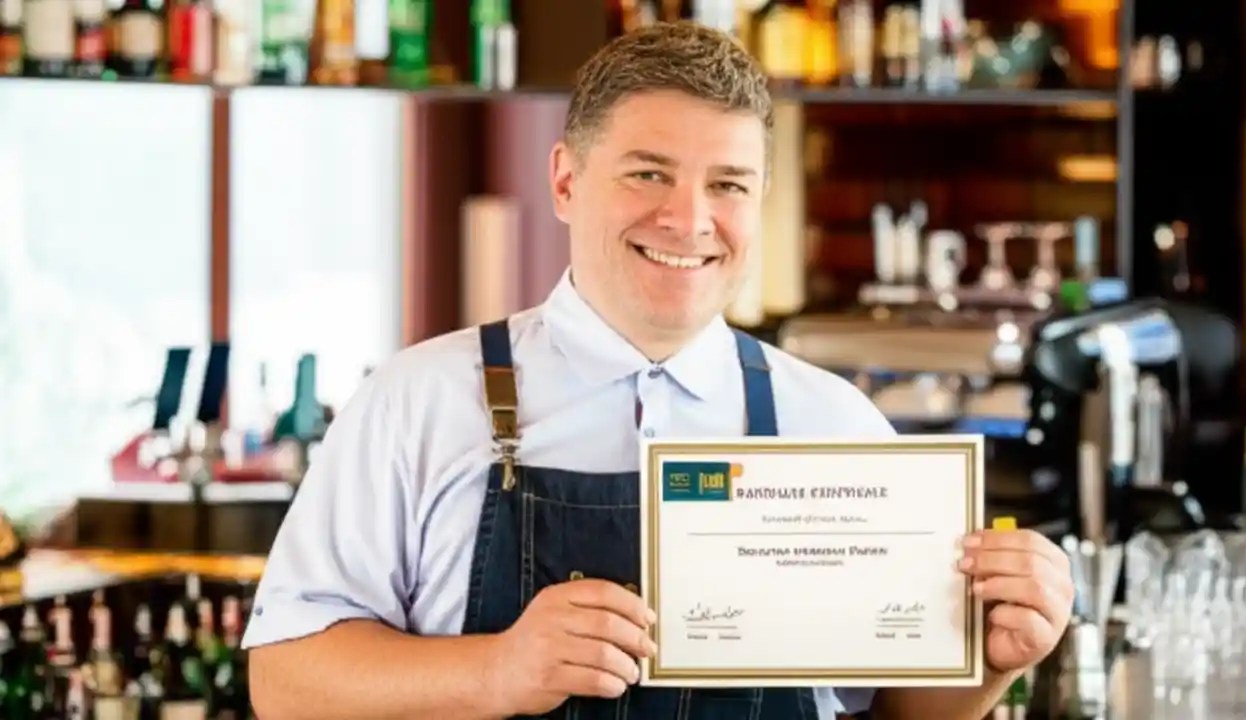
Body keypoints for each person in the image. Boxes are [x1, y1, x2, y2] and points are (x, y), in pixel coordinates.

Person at [243, 21, 1076, 720]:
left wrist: (995, 659)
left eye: (728, 184)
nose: (688, 219)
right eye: (648, 173)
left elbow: (891, 709)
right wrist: (497, 670)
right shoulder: (418, 402)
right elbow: (283, 679)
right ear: (567, 180)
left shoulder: (835, 421)